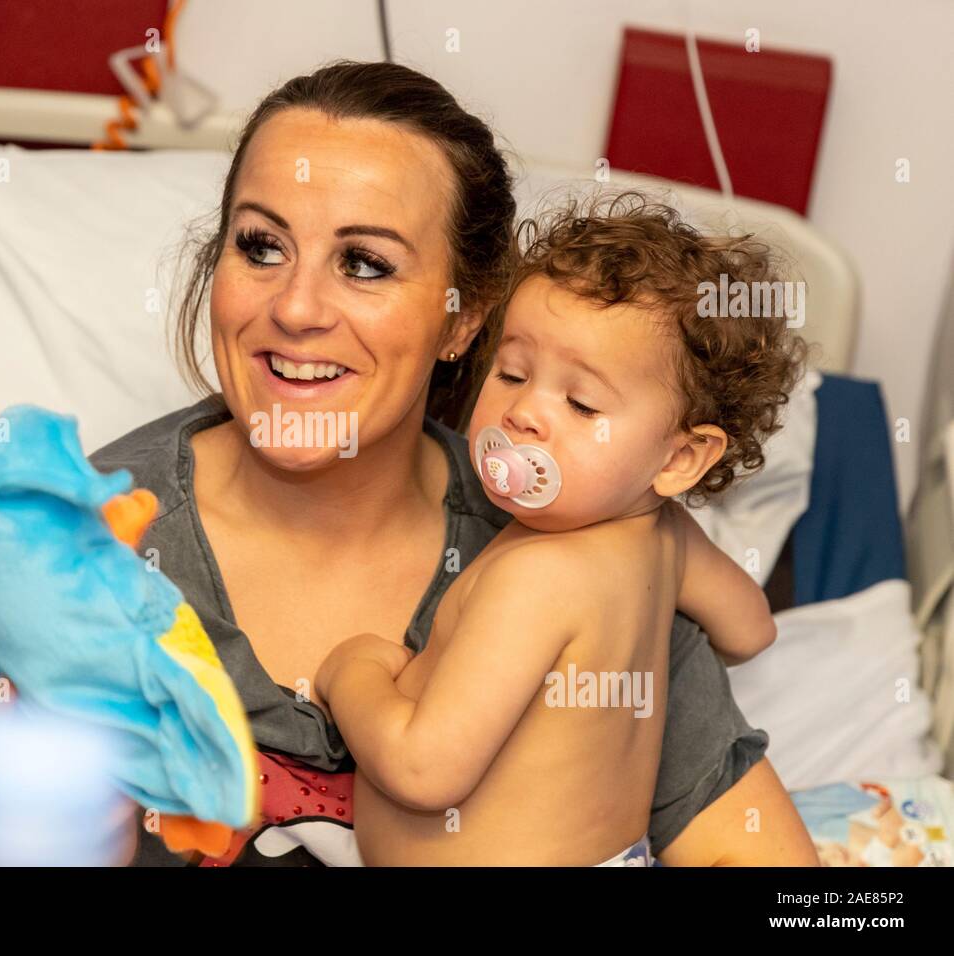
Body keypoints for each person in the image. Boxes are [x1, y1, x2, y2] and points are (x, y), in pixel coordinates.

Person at [0, 60, 818, 867]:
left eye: (364, 263)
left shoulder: (582, 532)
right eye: (261, 246)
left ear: (467, 321)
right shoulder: (93, 547)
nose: (298, 306)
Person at [315, 195, 804, 865]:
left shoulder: (535, 578)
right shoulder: (665, 537)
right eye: (512, 373)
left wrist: (353, 673)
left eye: (580, 403)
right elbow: (752, 629)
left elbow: (424, 771)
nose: (524, 414)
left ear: (680, 458)